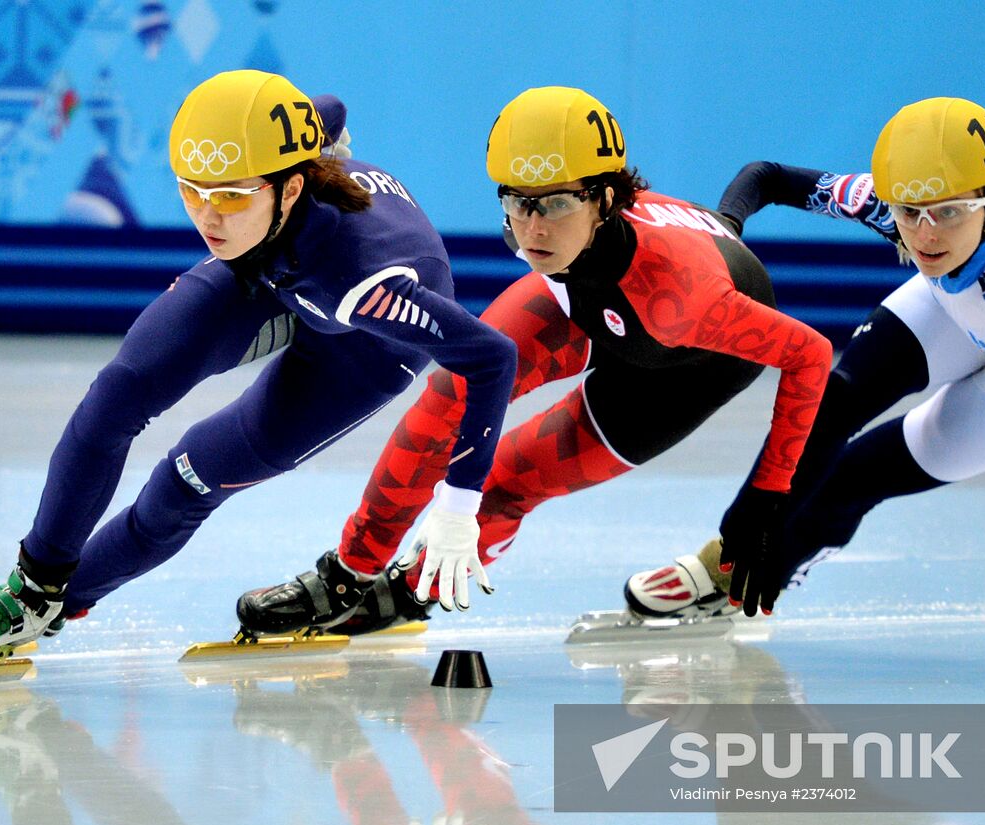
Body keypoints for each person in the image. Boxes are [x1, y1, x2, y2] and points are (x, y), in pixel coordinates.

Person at [0, 70, 516, 654]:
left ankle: (67, 601)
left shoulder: (365, 282)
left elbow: (492, 357)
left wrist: (460, 506)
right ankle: (30, 595)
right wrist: (298, 159)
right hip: (269, 262)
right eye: (192, 191)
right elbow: (329, 106)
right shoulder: (273, 165)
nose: (209, 217)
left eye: (230, 193)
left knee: (185, 481)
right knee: (115, 398)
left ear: (292, 185)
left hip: (365, 340)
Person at [237, 86, 832, 636]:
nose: (531, 228)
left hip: (684, 365)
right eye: (517, 204)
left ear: (604, 199)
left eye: (553, 205)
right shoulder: (549, 232)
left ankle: (407, 595)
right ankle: (349, 573)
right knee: (451, 393)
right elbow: (758, 177)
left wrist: (766, 493)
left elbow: (811, 353)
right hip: (595, 301)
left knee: (509, 485)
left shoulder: (682, 296)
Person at [624, 97, 985, 675]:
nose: (924, 232)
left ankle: (762, 568)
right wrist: (722, 234)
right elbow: (763, 177)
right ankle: (729, 557)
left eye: (946, 212)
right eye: (908, 212)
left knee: (854, 477)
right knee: (838, 395)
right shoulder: (903, 201)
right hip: (959, 297)